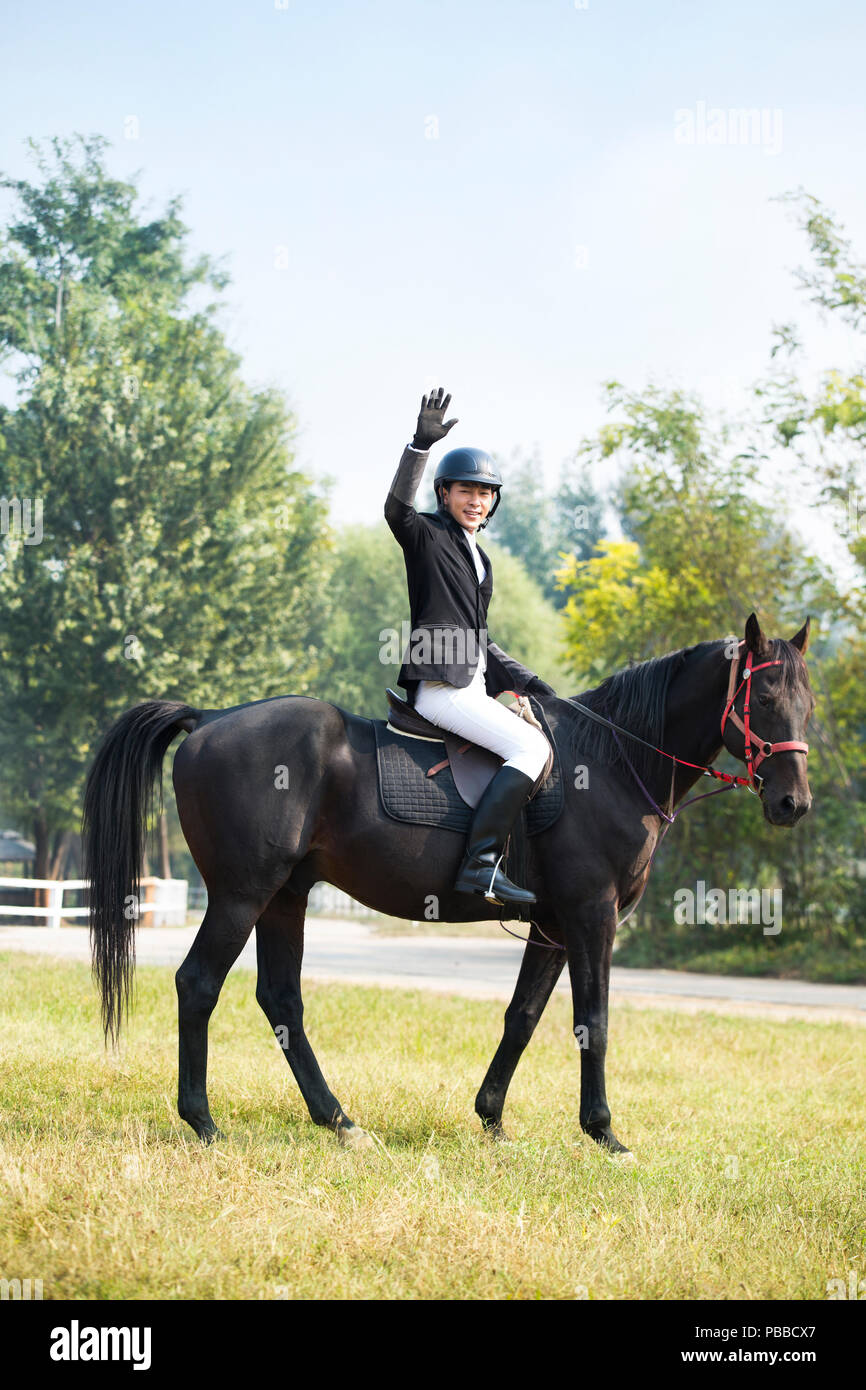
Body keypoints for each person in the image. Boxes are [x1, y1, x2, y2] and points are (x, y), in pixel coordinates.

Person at [384, 386, 555, 907]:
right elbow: (396, 510)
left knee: (539, 735)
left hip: (472, 686)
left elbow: (482, 639)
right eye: (465, 491)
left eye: (485, 494)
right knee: (531, 749)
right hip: (441, 687)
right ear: (444, 494)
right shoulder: (428, 535)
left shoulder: (481, 558)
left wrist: (532, 685)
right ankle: (480, 866)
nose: (476, 501)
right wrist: (419, 446)